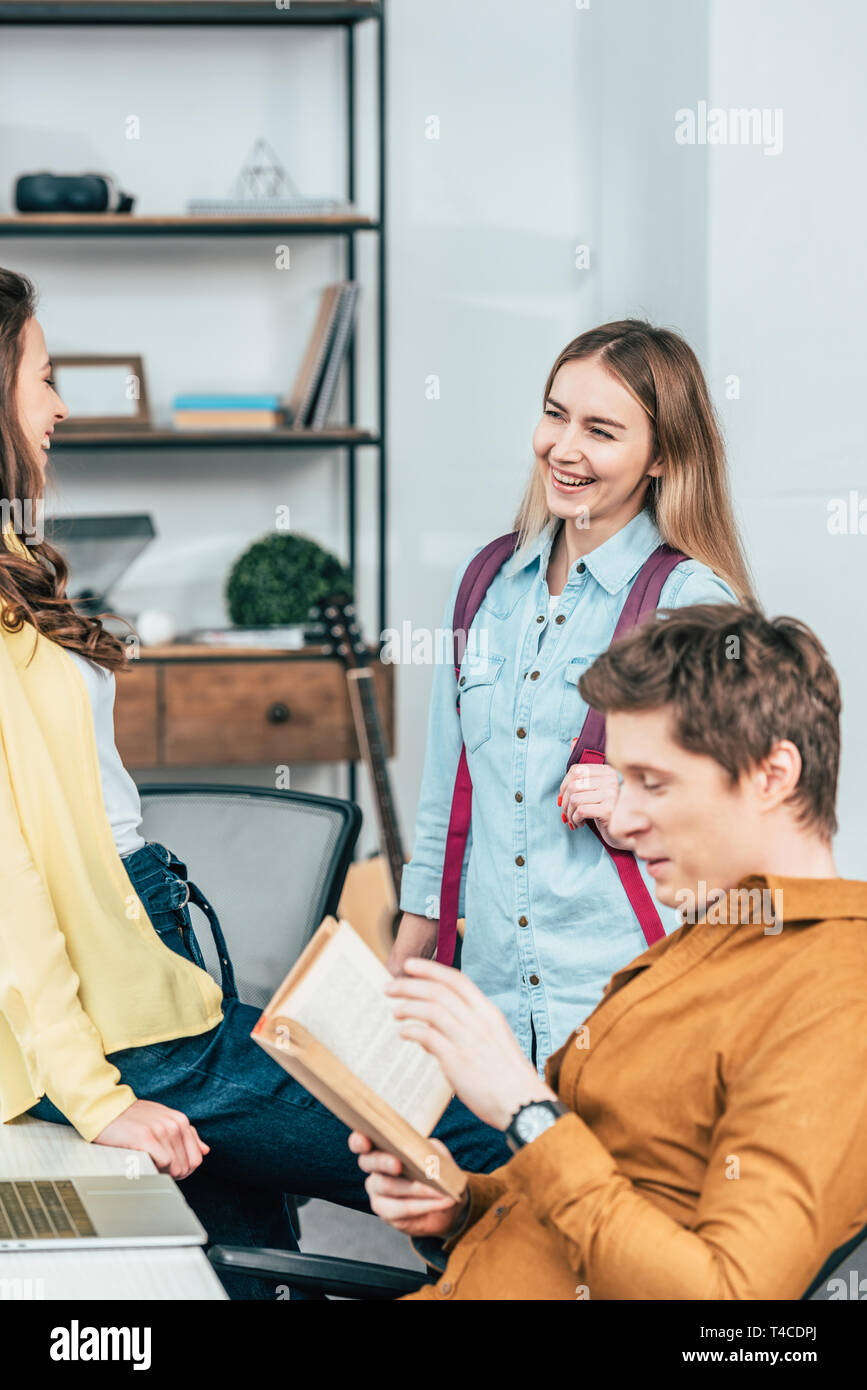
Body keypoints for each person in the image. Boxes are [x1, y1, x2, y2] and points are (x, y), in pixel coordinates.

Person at [0, 268, 510, 1300]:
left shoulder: (12, 560)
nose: (60, 406)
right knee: (473, 1138)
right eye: (44, 378)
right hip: (127, 1024)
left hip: (148, 968)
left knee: (245, 1258)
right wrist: (94, 1095)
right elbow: (9, 886)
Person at [354, 602, 867, 1299]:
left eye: (652, 784)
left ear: (772, 775)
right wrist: (463, 1203)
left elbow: (728, 1305)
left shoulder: (836, 997)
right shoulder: (713, 930)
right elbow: (619, 1175)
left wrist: (524, 1108)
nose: (621, 819)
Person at [389, 319, 754, 1072]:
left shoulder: (690, 603)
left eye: (601, 430)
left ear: (661, 457)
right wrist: (406, 965)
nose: (563, 447)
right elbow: (443, 797)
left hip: (628, 1005)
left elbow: (745, 818)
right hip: (489, 1011)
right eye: (555, 414)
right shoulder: (484, 586)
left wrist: (634, 804)